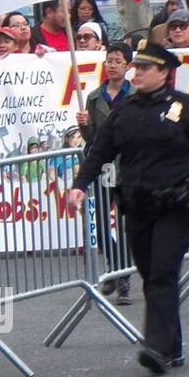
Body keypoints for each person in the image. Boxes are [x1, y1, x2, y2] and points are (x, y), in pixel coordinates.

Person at [67, 42, 189, 375]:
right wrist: (78, 186)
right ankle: (172, 345)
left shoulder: (187, 109)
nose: (137, 73)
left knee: (161, 272)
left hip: (176, 206)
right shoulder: (125, 111)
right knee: (151, 274)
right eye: (137, 68)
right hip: (138, 206)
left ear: (164, 72)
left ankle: (156, 347)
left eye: (145, 68)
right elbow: (99, 152)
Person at [77, 40, 135, 305]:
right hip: (104, 166)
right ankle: (115, 266)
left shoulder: (135, 95)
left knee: (126, 224)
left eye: (117, 61)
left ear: (128, 65)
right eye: (109, 61)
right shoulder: (94, 97)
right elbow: (92, 139)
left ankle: (123, 280)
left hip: (130, 166)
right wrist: (85, 126)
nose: (112, 66)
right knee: (101, 223)